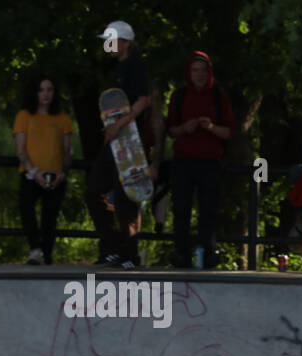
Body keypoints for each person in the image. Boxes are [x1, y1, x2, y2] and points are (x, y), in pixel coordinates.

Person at [86, 20, 154, 268]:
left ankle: (130, 254)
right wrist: (110, 127)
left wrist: (120, 124)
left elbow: (142, 101)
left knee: (127, 195)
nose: (108, 45)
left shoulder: (135, 67)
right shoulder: (114, 69)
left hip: (131, 141)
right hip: (114, 140)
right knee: (94, 190)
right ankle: (112, 246)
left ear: (125, 42)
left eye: (112, 41)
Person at [165, 51, 234, 268]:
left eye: (203, 71)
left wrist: (211, 127)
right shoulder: (179, 96)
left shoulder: (218, 97)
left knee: (209, 210)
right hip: (184, 160)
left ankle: (208, 251)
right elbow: (171, 130)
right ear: (189, 72)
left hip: (210, 162)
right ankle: (181, 252)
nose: (200, 75)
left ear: (209, 72)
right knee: (181, 209)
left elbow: (229, 132)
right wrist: (186, 128)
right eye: (195, 70)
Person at [13, 74, 73, 265]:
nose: (46, 94)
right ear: (34, 93)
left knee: (50, 215)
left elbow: (67, 150)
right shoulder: (24, 116)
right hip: (31, 174)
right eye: (41, 90)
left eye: (49, 90)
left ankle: (47, 254)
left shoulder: (62, 119)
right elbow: (20, 150)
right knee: (26, 208)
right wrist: (33, 172)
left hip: (55, 175)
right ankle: (35, 248)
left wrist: (63, 172)